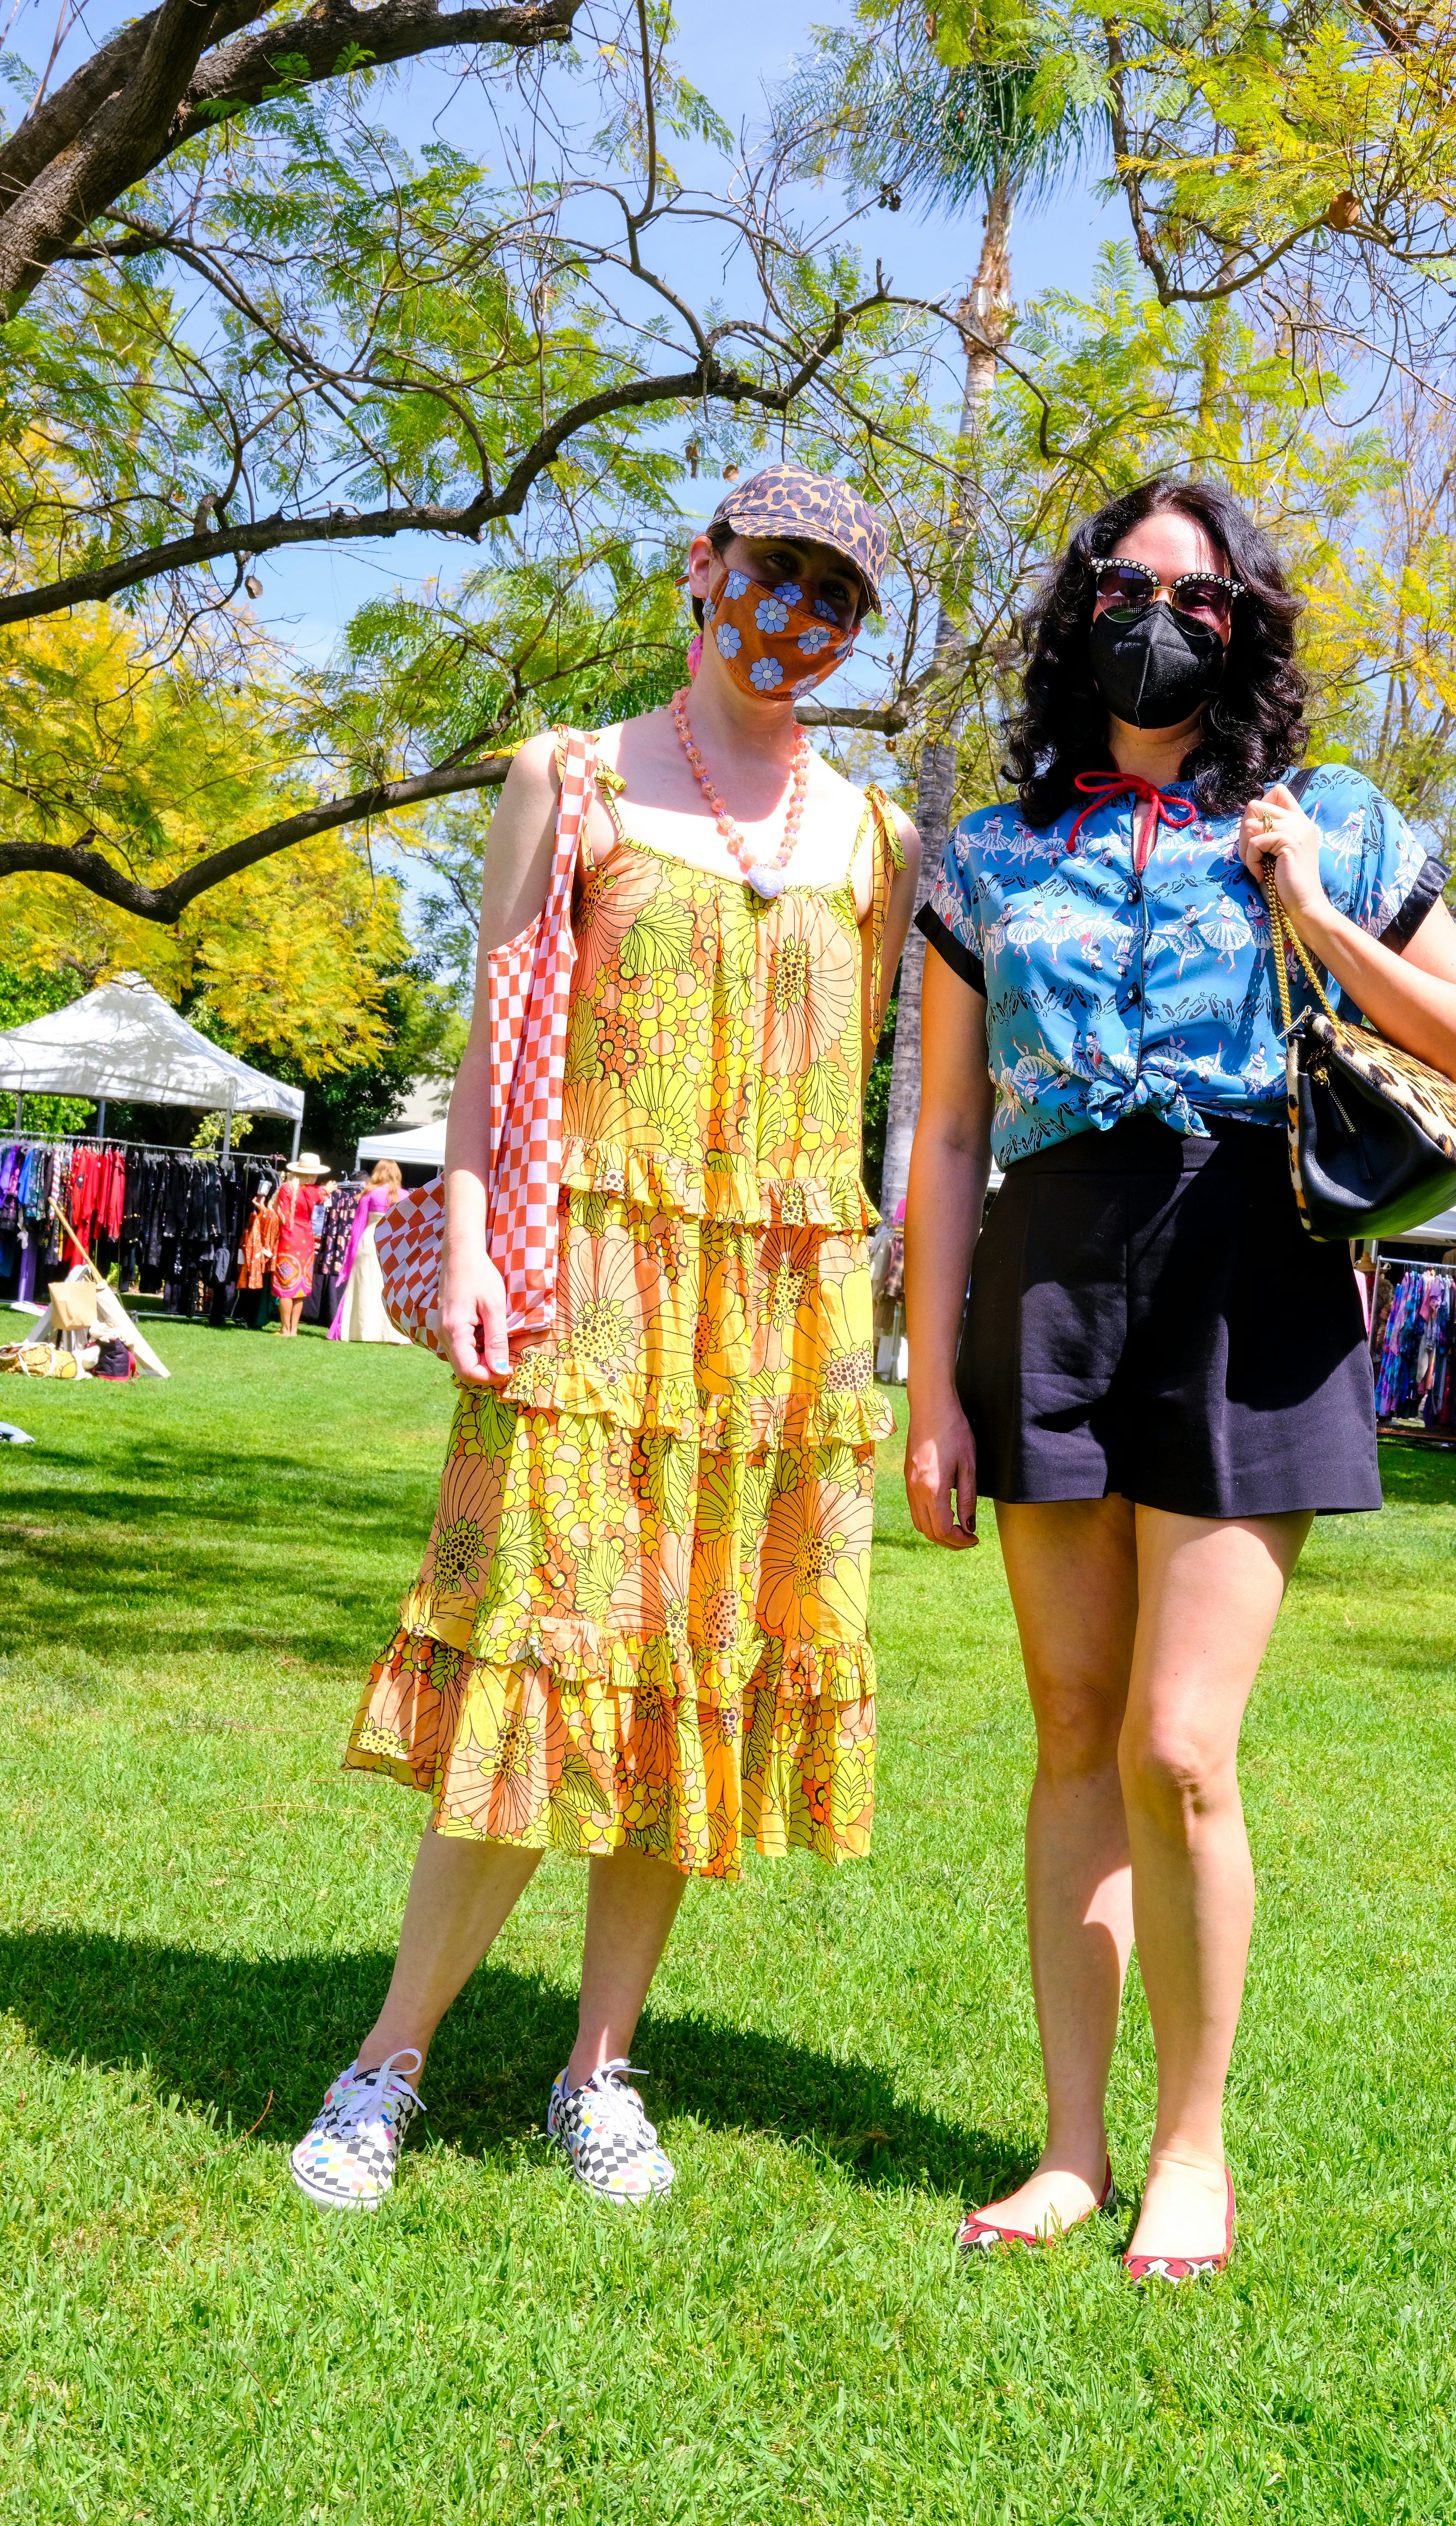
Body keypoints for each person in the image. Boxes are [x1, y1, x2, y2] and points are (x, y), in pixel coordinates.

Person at [903, 476, 1456, 2282]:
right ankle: (1069, 2148)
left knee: (1177, 1746)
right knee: (1070, 1734)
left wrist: (1312, 911)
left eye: (1197, 594)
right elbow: (946, 1135)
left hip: (1248, 1264)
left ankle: (1192, 2147)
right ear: (1076, 608)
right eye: (1124, 582)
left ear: (1242, 624)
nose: (1156, 616)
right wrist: (928, 1387)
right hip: (1046, 1269)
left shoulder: (1328, 816)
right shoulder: (984, 852)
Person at [290, 464, 918, 2210]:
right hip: (586, 1283)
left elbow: (838, 1097)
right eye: (776, 572)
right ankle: (386, 2061)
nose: (797, 616)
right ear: (702, 568)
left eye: (836, 596)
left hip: (769, 1326)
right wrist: (475, 1247)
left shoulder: (875, 840)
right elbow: (492, 1058)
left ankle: (600, 2068)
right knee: (537, 1661)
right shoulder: (566, 780)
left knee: (681, 1684)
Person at [328, 1158, 410, 1344]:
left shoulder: (370, 1194)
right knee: (390, 1290)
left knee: (364, 1287)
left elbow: (358, 1226)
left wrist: (350, 1253)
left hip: (369, 1243)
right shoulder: (405, 1196)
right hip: (394, 1247)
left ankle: (363, 1331)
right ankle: (392, 1333)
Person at [270, 1152, 328, 1337]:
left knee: (286, 1287)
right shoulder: (316, 1191)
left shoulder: (287, 1189)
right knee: (300, 1288)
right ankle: (294, 1329)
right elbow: (323, 1196)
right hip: (307, 1241)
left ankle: (285, 1329)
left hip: (289, 1239)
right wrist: (328, 1189)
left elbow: (282, 1216)